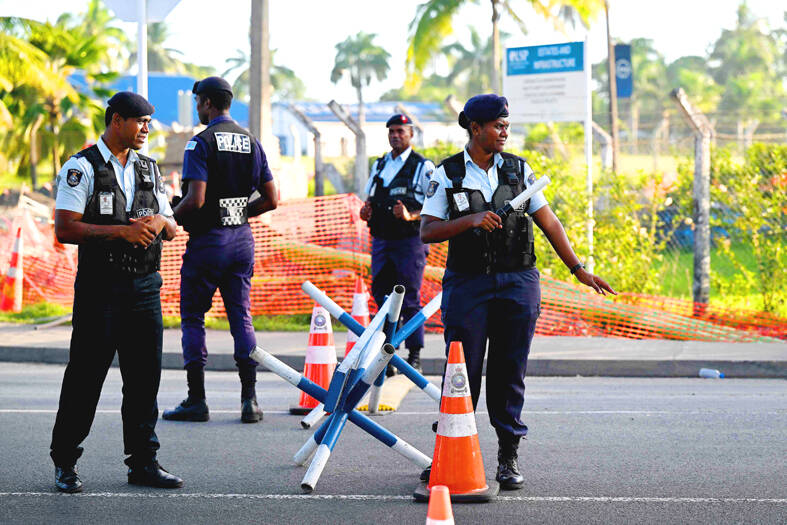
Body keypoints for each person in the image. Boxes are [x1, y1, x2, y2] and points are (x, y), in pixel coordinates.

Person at [420, 94, 616, 490]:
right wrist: (472, 220)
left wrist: (578, 269)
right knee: (463, 371)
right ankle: (449, 451)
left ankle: (508, 456)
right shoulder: (447, 174)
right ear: (476, 129)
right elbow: (427, 230)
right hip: (468, 284)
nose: (505, 132)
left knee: (510, 372)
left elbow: (549, 221)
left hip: (517, 282)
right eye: (498, 126)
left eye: (507, 125)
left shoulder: (518, 171)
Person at [50, 92, 182, 493]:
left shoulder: (148, 168)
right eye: (140, 121)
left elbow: (174, 228)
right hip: (99, 291)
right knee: (85, 378)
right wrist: (122, 230)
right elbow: (65, 228)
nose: (146, 129)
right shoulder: (81, 167)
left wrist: (159, 220)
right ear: (117, 120)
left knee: (144, 381)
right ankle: (65, 462)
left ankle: (143, 462)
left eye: (149, 123)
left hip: (145, 288)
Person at [163, 76, 277, 424]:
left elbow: (195, 200)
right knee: (241, 316)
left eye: (199, 101)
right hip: (241, 240)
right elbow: (272, 199)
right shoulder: (252, 142)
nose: (198, 107)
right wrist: (239, 211)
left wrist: (167, 219)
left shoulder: (200, 143)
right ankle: (250, 400)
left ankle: (197, 399)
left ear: (209, 103)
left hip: (208, 242)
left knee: (193, 317)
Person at [359, 114, 435, 372]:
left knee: (409, 298)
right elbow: (370, 197)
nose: (395, 135)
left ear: (411, 134)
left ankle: (414, 356)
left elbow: (436, 204)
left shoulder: (422, 167)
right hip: (381, 240)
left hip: (409, 242)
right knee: (381, 297)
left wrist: (409, 215)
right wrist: (366, 211)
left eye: (400, 131)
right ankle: (385, 355)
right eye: (391, 131)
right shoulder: (379, 165)